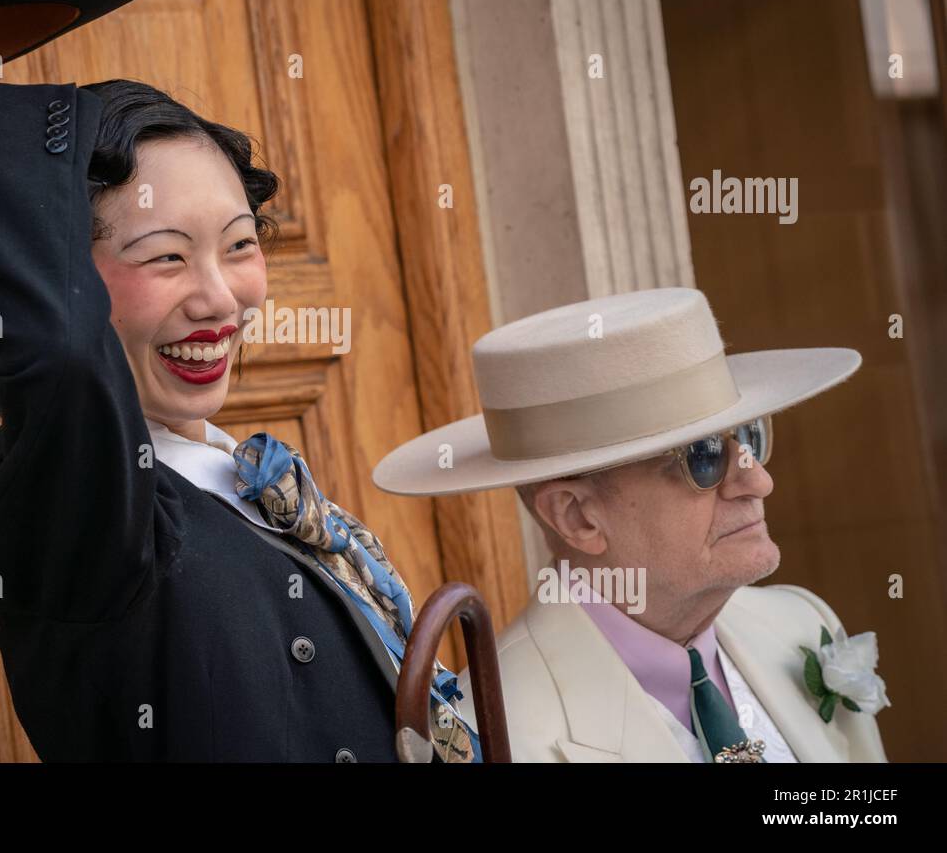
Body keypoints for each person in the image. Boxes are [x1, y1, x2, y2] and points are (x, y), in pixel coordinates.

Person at [0, 0, 478, 761]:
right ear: (70, 283)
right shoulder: (83, 503)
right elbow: (55, 352)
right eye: (165, 257)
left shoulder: (235, 479)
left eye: (239, 245)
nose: (219, 297)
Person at [373, 287, 890, 762]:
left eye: (748, 438)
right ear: (577, 517)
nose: (759, 483)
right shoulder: (486, 735)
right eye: (705, 457)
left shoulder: (801, 623)